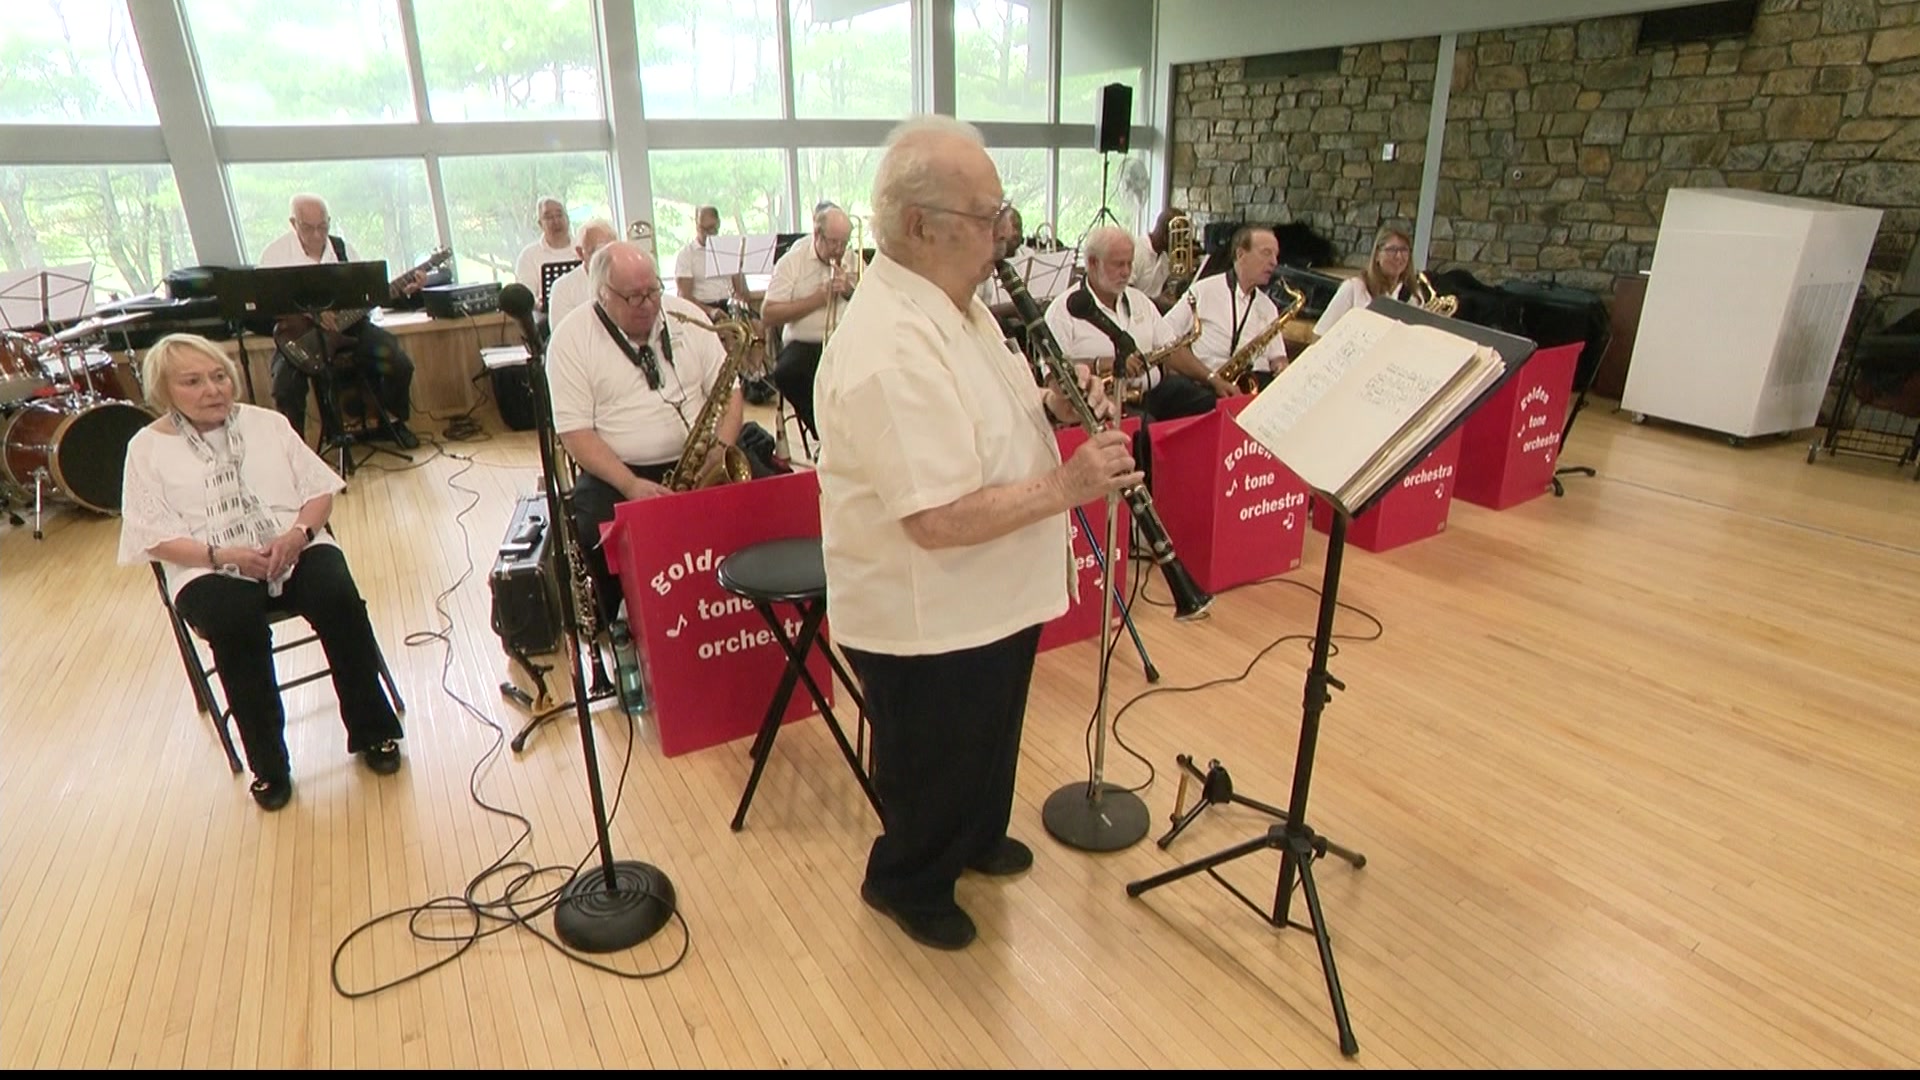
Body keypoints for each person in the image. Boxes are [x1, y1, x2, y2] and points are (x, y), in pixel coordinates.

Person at [815, 115, 1137, 951]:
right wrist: (1069, 486)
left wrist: (1054, 406)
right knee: (936, 758)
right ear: (920, 226)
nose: (1003, 234)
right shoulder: (888, 345)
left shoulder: (959, 307)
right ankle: (910, 880)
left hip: (994, 591)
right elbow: (935, 517)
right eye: (986, 216)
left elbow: (991, 416)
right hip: (929, 610)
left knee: (989, 736)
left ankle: (976, 835)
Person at [118, 333, 404, 811]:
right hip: (205, 562)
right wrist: (222, 556)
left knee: (336, 595)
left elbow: (318, 492)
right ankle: (269, 765)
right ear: (164, 391)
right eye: (193, 381)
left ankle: (373, 730)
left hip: (291, 542)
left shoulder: (267, 424)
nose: (212, 389)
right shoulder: (145, 449)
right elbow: (153, 536)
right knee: (234, 622)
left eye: (219, 376)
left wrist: (298, 535)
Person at [544, 241, 740, 630]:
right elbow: (575, 433)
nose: (648, 304)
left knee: (766, 495)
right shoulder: (572, 338)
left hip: (705, 457)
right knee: (592, 529)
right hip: (620, 470)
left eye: (653, 291)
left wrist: (722, 447)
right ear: (602, 293)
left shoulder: (688, 317)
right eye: (634, 296)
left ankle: (738, 608)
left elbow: (730, 390)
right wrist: (630, 484)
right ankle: (622, 621)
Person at [258, 194, 421, 450]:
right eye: (308, 227)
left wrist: (406, 292)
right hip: (300, 337)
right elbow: (266, 307)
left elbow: (367, 295)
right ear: (293, 223)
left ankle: (392, 422)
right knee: (285, 387)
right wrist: (311, 314)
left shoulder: (343, 250)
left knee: (399, 363)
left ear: (329, 222)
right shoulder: (275, 255)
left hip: (350, 328)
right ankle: (296, 450)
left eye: (322, 226)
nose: (317, 234)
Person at [1045, 225, 1227, 423]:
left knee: (1208, 402)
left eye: (1129, 264)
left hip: (1149, 393)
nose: (1126, 272)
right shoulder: (1061, 311)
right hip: (1100, 403)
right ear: (1092, 263)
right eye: (1118, 264)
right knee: (1145, 426)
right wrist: (1102, 363)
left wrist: (1212, 379)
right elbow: (1052, 374)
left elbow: (1172, 350)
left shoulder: (1140, 300)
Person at [762, 205, 864, 441]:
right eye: (833, 242)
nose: (839, 250)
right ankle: (828, 436)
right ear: (817, 234)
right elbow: (768, 314)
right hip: (805, 344)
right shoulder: (792, 262)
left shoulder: (850, 258)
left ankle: (857, 434)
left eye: (844, 243)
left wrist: (849, 289)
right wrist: (817, 300)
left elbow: (871, 300)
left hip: (844, 340)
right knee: (787, 373)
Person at [1166, 224, 1289, 388]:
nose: (1274, 262)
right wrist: (1206, 376)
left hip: (1257, 384)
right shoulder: (1202, 291)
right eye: (1266, 253)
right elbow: (1163, 336)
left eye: (1276, 255)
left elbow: (1278, 356)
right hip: (1209, 384)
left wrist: (1281, 366)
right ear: (1241, 254)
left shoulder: (1268, 306)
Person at [1313, 226, 1416, 337]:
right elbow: (1320, 334)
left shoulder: (1413, 296)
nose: (1399, 256)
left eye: (1404, 250)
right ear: (1377, 254)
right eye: (1392, 250)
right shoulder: (1354, 288)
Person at [673, 205, 753, 320]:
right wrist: (710, 311)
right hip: (702, 308)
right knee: (726, 330)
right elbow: (684, 296)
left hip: (728, 304)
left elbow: (743, 292)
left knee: (758, 326)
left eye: (711, 228)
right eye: (703, 229)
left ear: (718, 224)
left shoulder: (728, 249)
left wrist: (740, 296)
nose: (706, 234)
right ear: (696, 225)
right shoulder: (687, 254)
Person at [545, 218, 620, 329]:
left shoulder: (629, 278)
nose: (604, 258)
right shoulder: (562, 288)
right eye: (597, 251)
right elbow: (561, 334)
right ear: (580, 253)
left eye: (610, 250)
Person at [516, 197, 576, 311]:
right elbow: (526, 295)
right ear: (540, 224)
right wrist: (538, 304)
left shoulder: (583, 248)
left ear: (567, 219)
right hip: (545, 315)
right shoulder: (528, 255)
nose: (556, 221)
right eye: (548, 217)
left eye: (559, 215)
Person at [1130, 206, 1182, 303]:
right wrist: (1156, 302)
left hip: (1154, 309)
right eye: (1177, 238)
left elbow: (1162, 289)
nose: (1179, 244)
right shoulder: (1136, 251)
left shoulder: (1165, 257)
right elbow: (1126, 294)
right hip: (1136, 309)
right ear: (1165, 235)